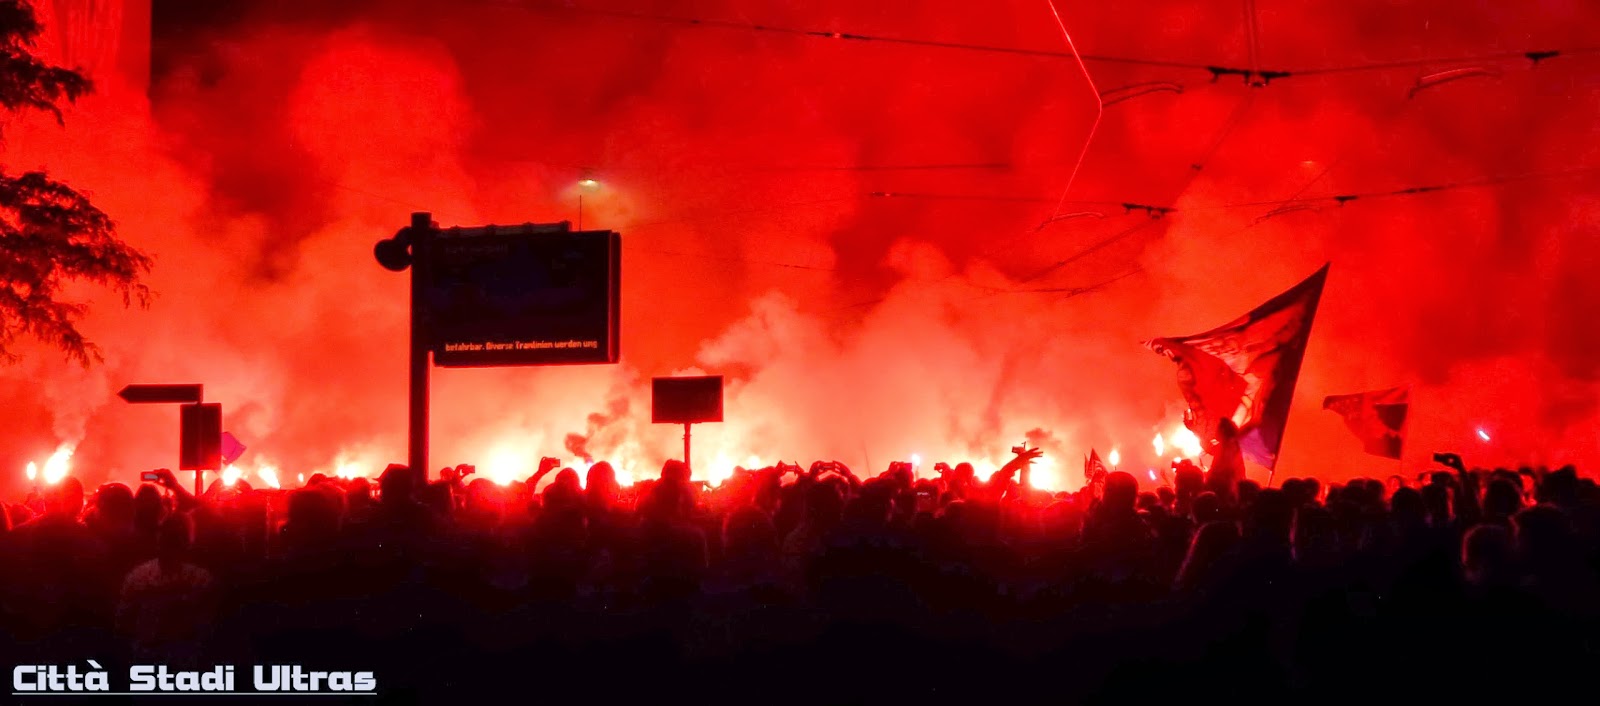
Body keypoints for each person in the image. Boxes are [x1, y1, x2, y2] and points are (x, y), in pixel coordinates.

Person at [116, 514, 216, 665]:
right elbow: (208, 627)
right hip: (187, 662)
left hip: (145, 660)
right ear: (189, 540)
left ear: (159, 539)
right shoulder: (201, 580)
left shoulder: (138, 577)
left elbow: (123, 620)